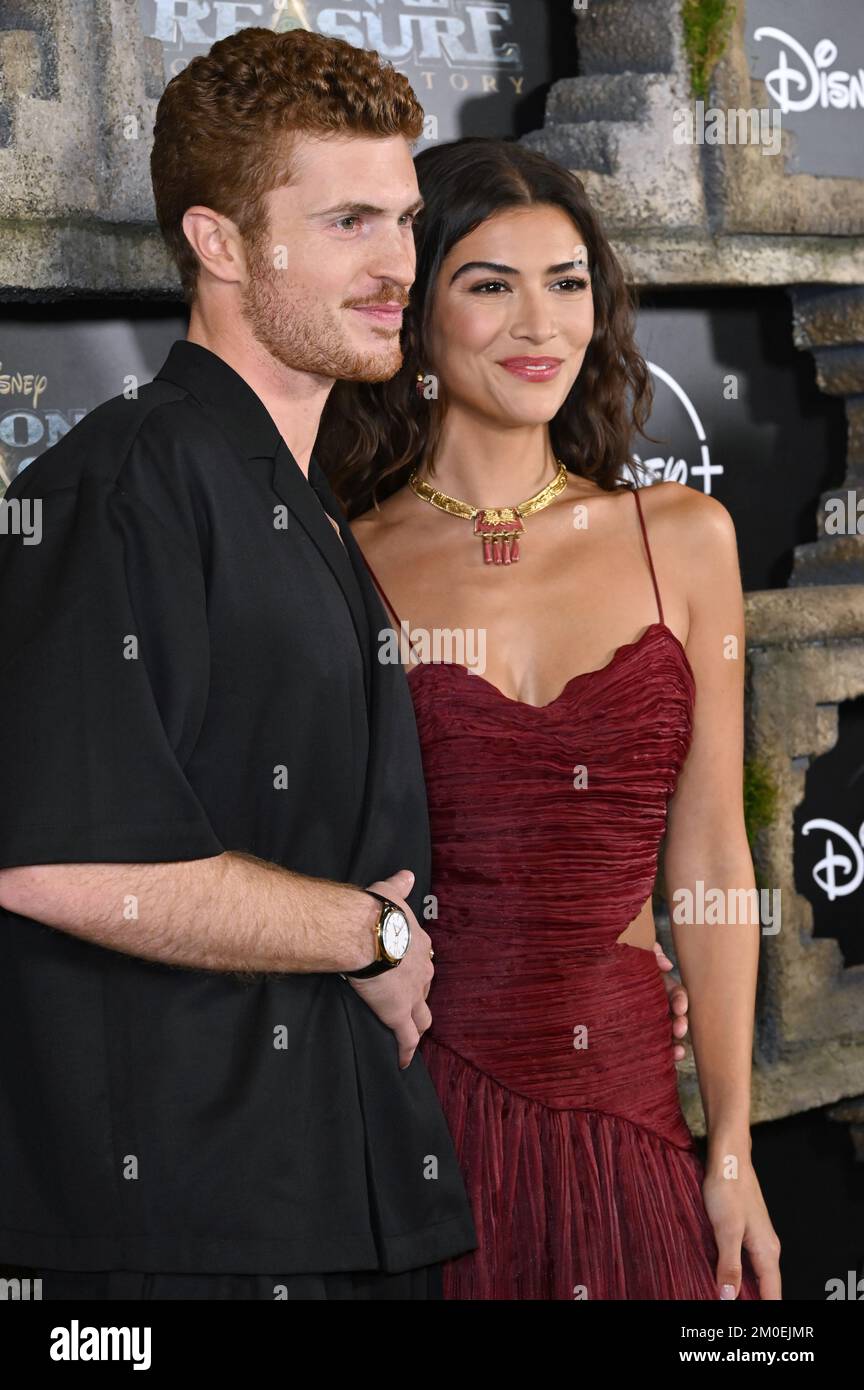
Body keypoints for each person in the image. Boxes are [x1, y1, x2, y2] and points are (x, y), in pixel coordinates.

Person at [0, 28, 484, 1302]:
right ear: (219, 244)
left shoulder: (296, 499)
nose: (398, 266)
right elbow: (56, 861)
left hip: (328, 1186)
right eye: (347, 222)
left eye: (405, 218)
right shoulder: (119, 487)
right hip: (184, 1229)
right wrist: (370, 931)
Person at [320, 136, 783, 1300]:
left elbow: (713, 854)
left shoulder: (681, 536)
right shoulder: (341, 560)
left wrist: (729, 1143)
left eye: (567, 283)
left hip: (631, 1104)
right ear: (415, 313)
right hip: (422, 1105)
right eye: (490, 284)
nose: (542, 325)